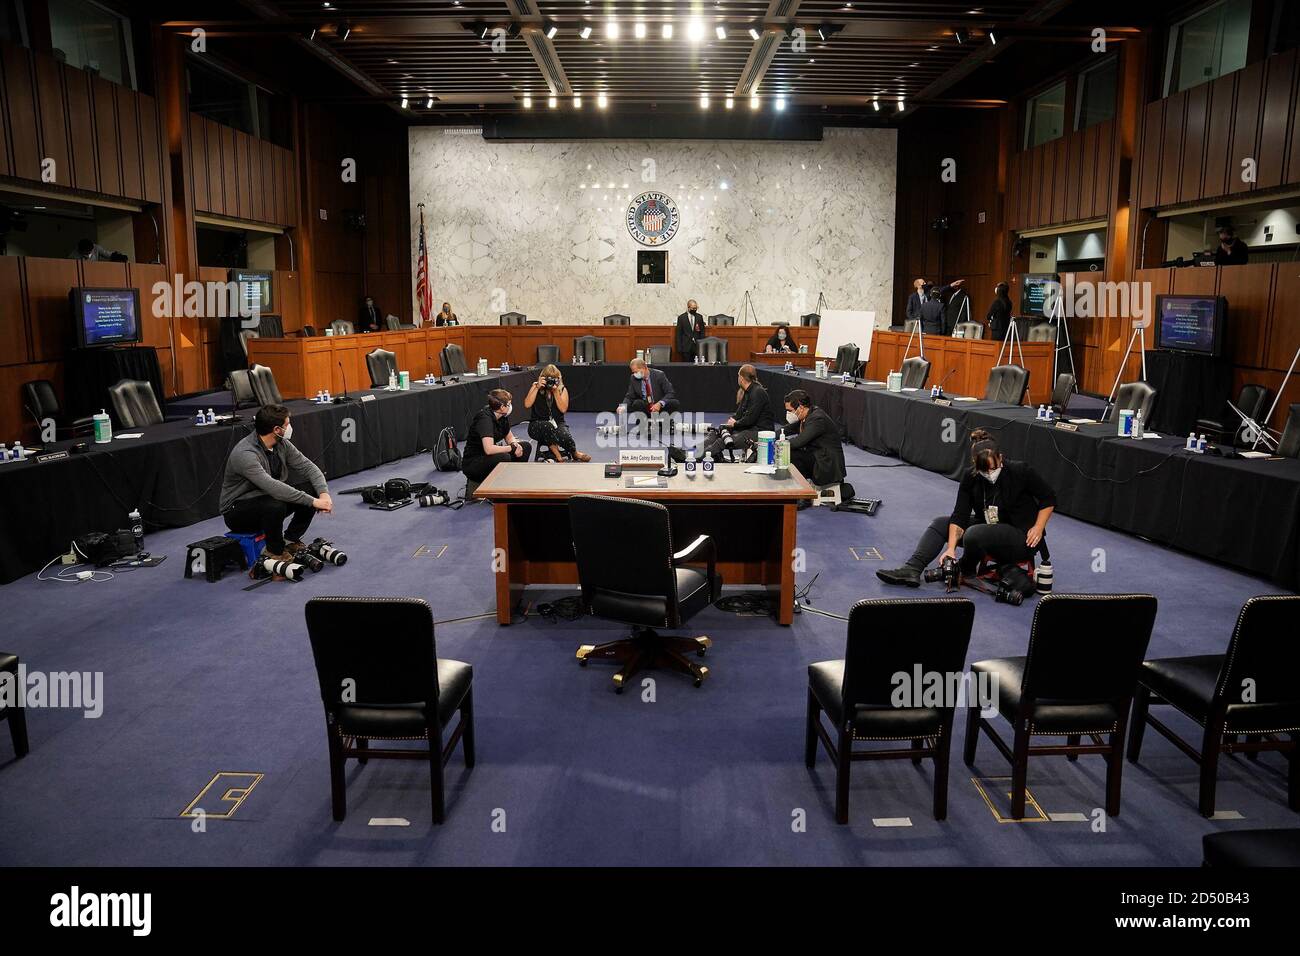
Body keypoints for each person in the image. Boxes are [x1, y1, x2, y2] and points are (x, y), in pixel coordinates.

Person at [876, 429, 1056, 588]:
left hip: (1021, 536)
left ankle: (965, 569)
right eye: (984, 471)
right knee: (941, 523)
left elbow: (1048, 497)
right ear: (974, 463)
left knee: (974, 533)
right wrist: (951, 549)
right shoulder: (970, 477)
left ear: (1001, 458)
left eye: (993, 469)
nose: (989, 474)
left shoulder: (1020, 471)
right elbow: (960, 515)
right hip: (986, 528)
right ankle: (912, 569)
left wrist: (1038, 527)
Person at [220, 404, 332, 567]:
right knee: (276, 504)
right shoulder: (245, 454)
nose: (290, 427)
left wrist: (323, 494)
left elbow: (308, 467)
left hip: (266, 499)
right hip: (236, 512)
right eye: (287, 424)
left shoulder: (281, 444)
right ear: (277, 429)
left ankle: (290, 540)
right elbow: (273, 487)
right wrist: (314, 502)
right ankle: (274, 551)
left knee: (310, 490)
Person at [782, 389, 847, 507]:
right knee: (792, 451)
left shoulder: (817, 419)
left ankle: (804, 497)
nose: (788, 414)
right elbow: (787, 429)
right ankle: (799, 489)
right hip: (819, 457)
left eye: (790, 410)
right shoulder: (808, 415)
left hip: (827, 465)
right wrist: (768, 436)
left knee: (792, 454)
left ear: (800, 407)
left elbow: (799, 442)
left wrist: (777, 445)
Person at [704, 364, 773, 462]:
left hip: (760, 432)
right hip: (749, 428)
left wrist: (735, 424)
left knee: (723, 441)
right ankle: (698, 452)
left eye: (738, 376)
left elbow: (750, 419)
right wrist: (730, 422)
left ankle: (698, 458)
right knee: (717, 431)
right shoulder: (748, 392)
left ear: (741, 378)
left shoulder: (758, 392)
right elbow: (739, 413)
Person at [462, 389, 531, 482]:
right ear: (502, 407)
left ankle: (515, 481)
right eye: (509, 404)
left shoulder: (502, 416)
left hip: (489, 457)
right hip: (474, 462)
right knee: (504, 457)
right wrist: (511, 448)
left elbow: (509, 437)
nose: (511, 406)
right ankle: (498, 486)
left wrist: (515, 445)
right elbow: (489, 449)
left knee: (525, 447)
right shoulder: (484, 419)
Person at [525, 364, 590, 462]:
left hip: (557, 423)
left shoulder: (562, 390)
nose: (550, 382)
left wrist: (555, 392)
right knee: (547, 426)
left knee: (565, 437)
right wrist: (537, 387)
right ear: (542, 378)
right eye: (548, 379)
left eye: (554, 379)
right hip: (537, 424)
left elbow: (563, 409)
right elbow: (527, 404)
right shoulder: (535, 386)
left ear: (558, 379)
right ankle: (558, 455)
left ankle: (574, 452)